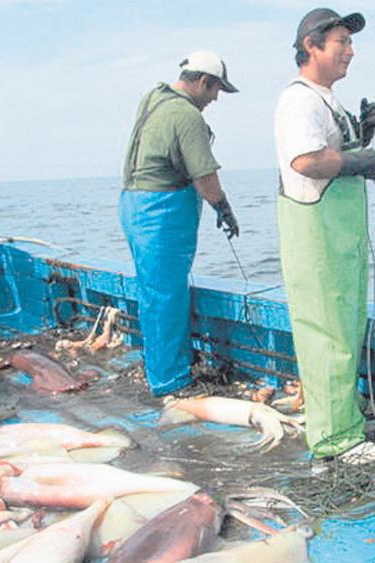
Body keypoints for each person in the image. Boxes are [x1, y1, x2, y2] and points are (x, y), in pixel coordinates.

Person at [273, 8, 375, 465]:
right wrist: (356, 161)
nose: (350, 51)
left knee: (344, 329)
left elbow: (329, 150)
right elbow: (305, 161)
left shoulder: (324, 99)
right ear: (311, 46)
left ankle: (345, 420)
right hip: (316, 237)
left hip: (339, 239)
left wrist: (361, 136)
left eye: (350, 42)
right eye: (341, 41)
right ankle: (335, 440)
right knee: (327, 336)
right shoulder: (299, 100)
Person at [120, 51, 241, 397]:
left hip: (134, 204)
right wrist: (223, 208)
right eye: (216, 90)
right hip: (160, 210)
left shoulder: (154, 97)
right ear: (203, 82)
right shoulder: (186, 114)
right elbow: (204, 175)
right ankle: (170, 381)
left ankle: (167, 365)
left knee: (155, 292)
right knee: (166, 296)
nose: (216, 98)